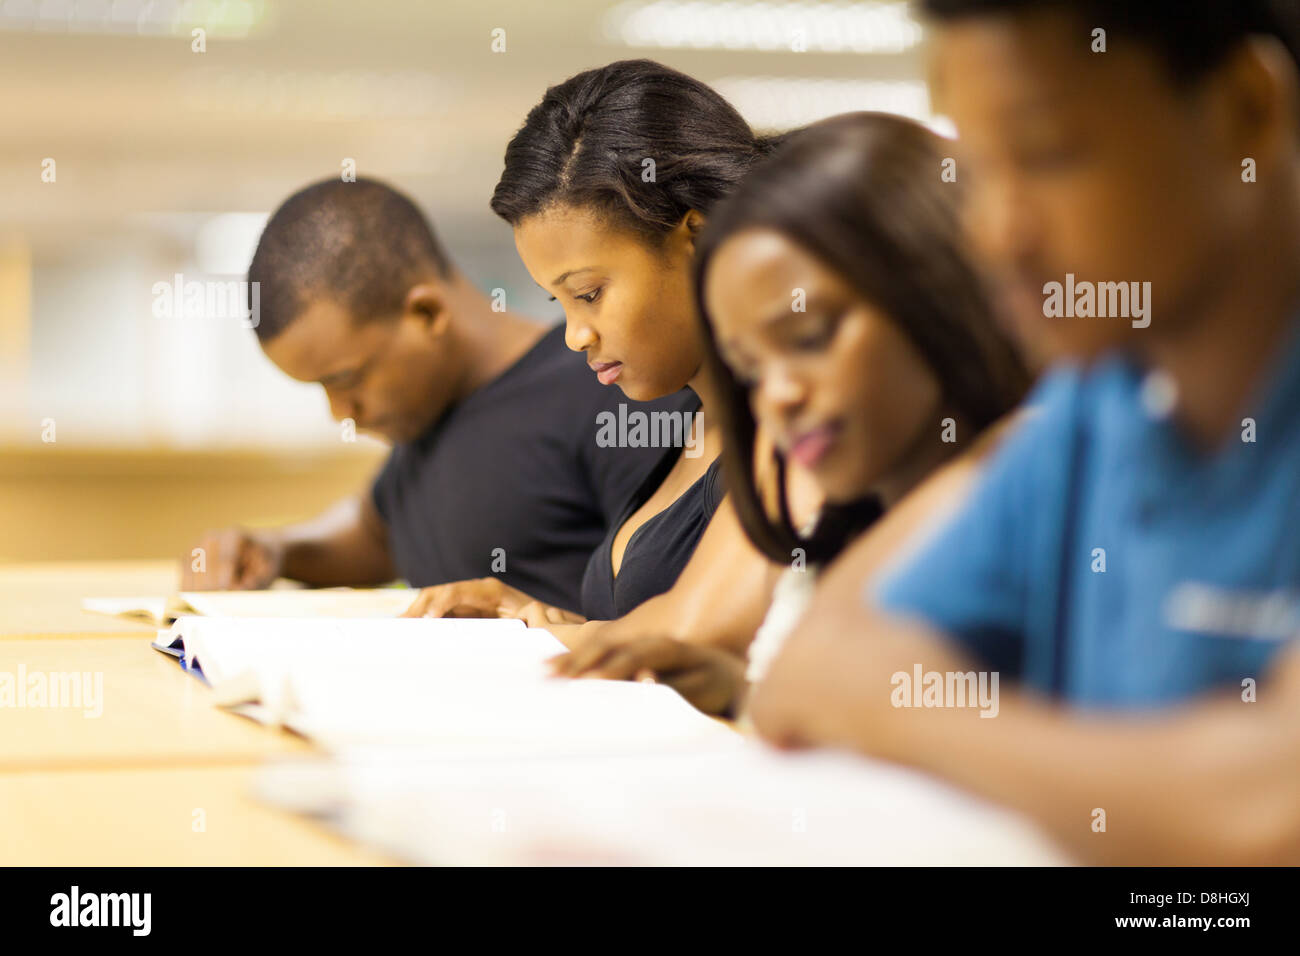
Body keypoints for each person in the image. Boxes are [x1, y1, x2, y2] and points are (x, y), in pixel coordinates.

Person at [752, 0, 1300, 865]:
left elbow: (1266, 812)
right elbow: (815, 664)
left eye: (1046, 155)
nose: (996, 233)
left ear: (1244, 110)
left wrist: (902, 711)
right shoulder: (1098, 405)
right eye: (977, 168)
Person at [551, 113, 1029, 715]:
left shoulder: (1025, 475)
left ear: (935, 294)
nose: (776, 396)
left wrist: (806, 709)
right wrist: (738, 692)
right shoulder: (848, 510)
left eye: (809, 337)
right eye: (748, 365)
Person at [182, 177, 691, 614]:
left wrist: (538, 627)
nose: (341, 412)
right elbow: (373, 533)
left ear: (425, 314)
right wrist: (278, 548)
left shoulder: (615, 388)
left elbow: (670, 612)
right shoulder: (428, 415)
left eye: (346, 379)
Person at [403, 60, 790, 634]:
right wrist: (550, 621)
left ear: (699, 239)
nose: (575, 335)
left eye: (588, 292)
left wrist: (568, 638)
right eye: (558, 301)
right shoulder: (685, 420)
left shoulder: (786, 425)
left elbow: (703, 645)